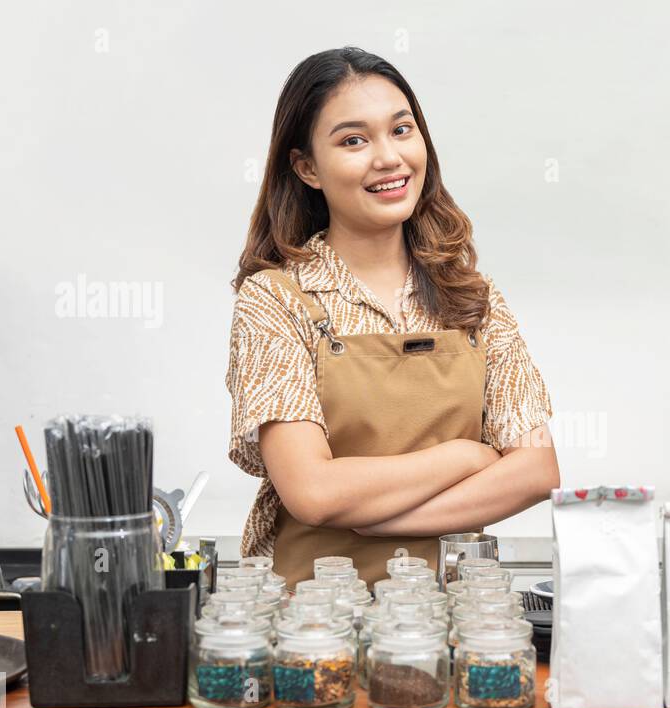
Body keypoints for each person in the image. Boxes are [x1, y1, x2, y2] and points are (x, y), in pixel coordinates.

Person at [225, 47, 559, 588]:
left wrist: (371, 519)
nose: (388, 158)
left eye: (401, 130)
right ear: (307, 167)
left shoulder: (473, 297)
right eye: (353, 140)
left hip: (451, 620)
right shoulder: (275, 300)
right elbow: (311, 492)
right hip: (316, 623)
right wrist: (463, 456)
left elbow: (536, 470)